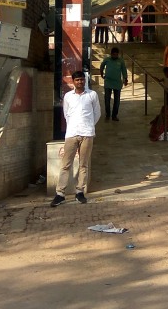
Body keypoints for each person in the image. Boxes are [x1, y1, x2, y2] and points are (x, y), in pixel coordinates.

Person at [51, 70, 100, 206]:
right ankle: (60, 194)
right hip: (72, 134)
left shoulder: (92, 95)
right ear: (73, 82)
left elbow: (97, 113)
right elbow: (66, 114)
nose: (80, 82)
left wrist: (89, 125)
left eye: (82, 79)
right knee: (66, 164)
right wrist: (74, 125)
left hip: (87, 134)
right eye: (77, 80)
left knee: (84, 164)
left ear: (85, 80)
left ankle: (80, 192)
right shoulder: (68, 96)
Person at [99, 47, 128, 122]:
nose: (115, 56)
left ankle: (114, 115)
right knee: (107, 99)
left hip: (117, 83)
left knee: (117, 100)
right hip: (108, 82)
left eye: (116, 55)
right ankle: (107, 115)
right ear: (111, 54)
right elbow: (101, 67)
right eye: (113, 54)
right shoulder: (107, 59)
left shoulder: (121, 61)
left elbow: (124, 70)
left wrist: (125, 79)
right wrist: (102, 74)